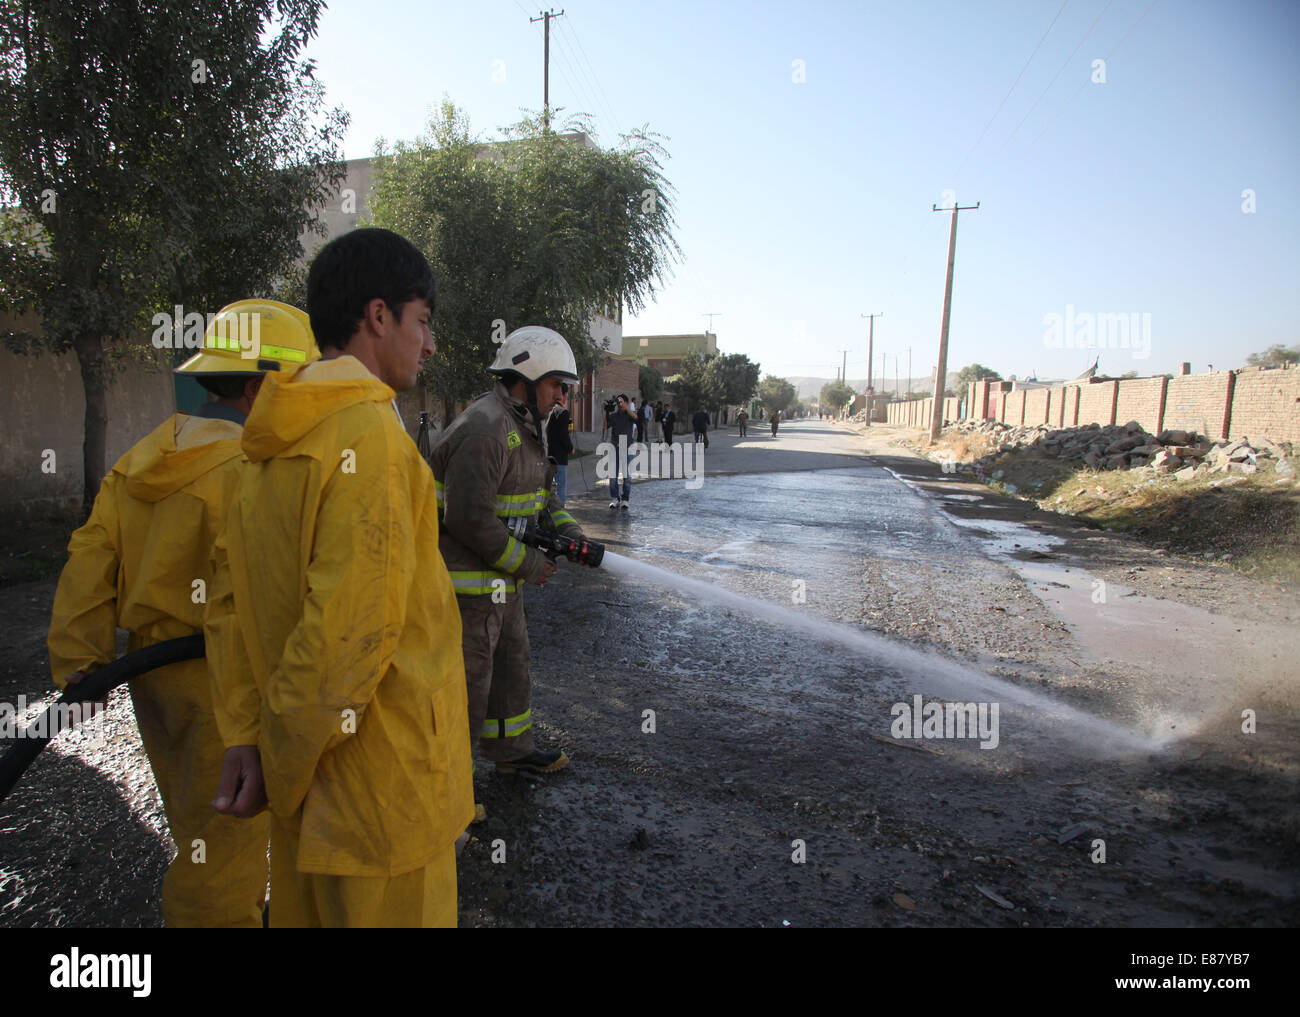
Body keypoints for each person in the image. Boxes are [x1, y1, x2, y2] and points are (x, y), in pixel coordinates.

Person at [205, 228, 474, 928]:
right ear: (378, 316)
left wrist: (249, 737)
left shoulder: (266, 443)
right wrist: (280, 767)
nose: (431, 344)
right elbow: (345, 643)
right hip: (380, 811)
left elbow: (229, 608)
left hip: (312, 816)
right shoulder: (371, 441)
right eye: (423, 322)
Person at [47, 299, 318, 928]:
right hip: (230, 682)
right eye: (296, 383)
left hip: (157, 680)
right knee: (223, 846)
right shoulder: (254, 470)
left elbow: (89, 561)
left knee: (198, 820)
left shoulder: (141, 460)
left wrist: (82, 663)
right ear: (263, 384)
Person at [430, 326, 589, 775]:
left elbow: (544, 499)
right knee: (465, 685)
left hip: (500, 579)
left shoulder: (523, 424)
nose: (562, 397)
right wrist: (531, 564)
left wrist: (574, 536)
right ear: (529, 377)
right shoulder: (485, 429)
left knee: (510, 668)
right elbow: (468, 518)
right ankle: (449, 791)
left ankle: (512, 751)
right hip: (467, 587)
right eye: (558, 385)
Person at [606, 392, 636, 508]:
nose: (619, 404)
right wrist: (607, 411)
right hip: (615, 447)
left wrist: (626, 407)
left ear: (626, 403)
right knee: (613, 477)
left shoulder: (629, 415)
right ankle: (615, 498)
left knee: (627, 476)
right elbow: (606, 426)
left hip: (627, 447)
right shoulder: (614, 416)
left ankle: (625, 499)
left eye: (622, 401)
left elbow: (635, 417)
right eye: (618, 402)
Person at [546, 382, 574, 506]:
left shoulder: (548, 410)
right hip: (560, 459)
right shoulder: (563, 412)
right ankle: (560, 517)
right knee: (560, 490)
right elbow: (564, 435)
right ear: (564, 395)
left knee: (547, 490)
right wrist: (570, 449)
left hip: (547, 456)